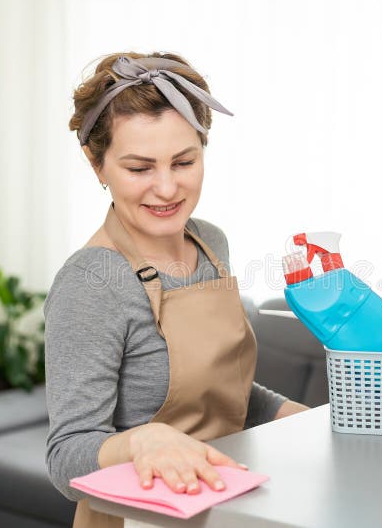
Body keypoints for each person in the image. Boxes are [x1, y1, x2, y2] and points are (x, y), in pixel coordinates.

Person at [44, 51, 309, 528]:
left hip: (229, 509)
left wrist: (315, 423)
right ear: (96, 164)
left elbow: (224, 397)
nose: (167, 189)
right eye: (139, 168)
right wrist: (141, 440)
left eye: (183, 161)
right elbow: (66, 459)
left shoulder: (210, 243)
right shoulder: (90, 282)